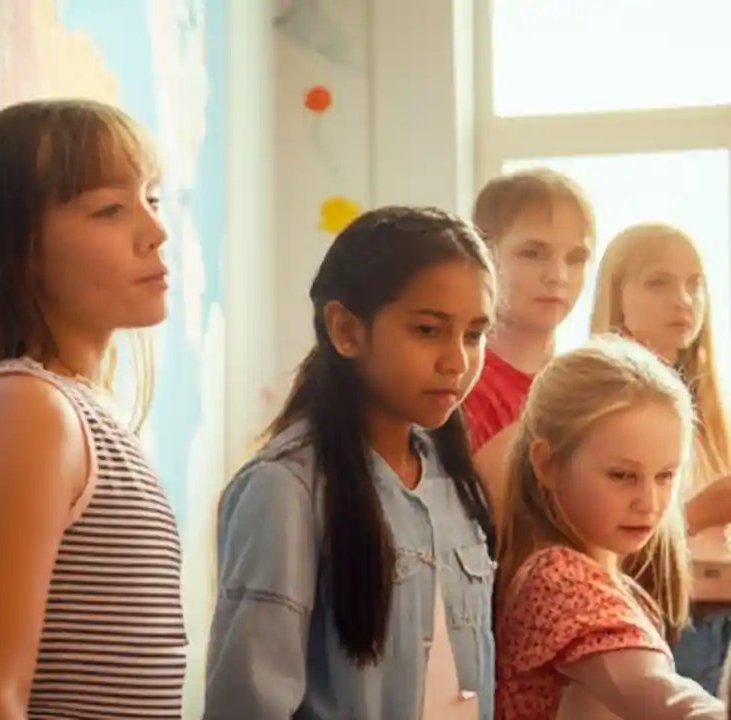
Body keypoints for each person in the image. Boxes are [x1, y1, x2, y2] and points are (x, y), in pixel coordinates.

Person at [0, 99, 187, 719]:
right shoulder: (25, 406)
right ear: (15, 251)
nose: (155, 231)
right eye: (110, 209)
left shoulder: (77, 412)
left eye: (152, 199)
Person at [204, 207, 497, 719]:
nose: (457, 360)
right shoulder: (286, 488)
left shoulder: (453, 481)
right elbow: (249, 701)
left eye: (473, 335)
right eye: (428, 330)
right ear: (345, 330)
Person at [495, 336, 723, 719]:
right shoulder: (559, 580)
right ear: (547, 464)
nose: (649, 502)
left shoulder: (606, 581)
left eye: (665, 476)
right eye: (622, 475)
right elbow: (663, 699)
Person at [590, 223, 731, 693]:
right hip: (656, 621)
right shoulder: (602, 401)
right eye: (658, 283)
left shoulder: (710, 408)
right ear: (617, 296)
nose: (683, 300)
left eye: (695, 284)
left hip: (716, 617)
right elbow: (599, 547)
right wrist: (701, 512)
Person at [465, 168, 595, 518]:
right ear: (484, 255)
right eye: (533, 253)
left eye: (576, 258)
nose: (558, 276)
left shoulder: (587, 387)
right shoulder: (459, 383)